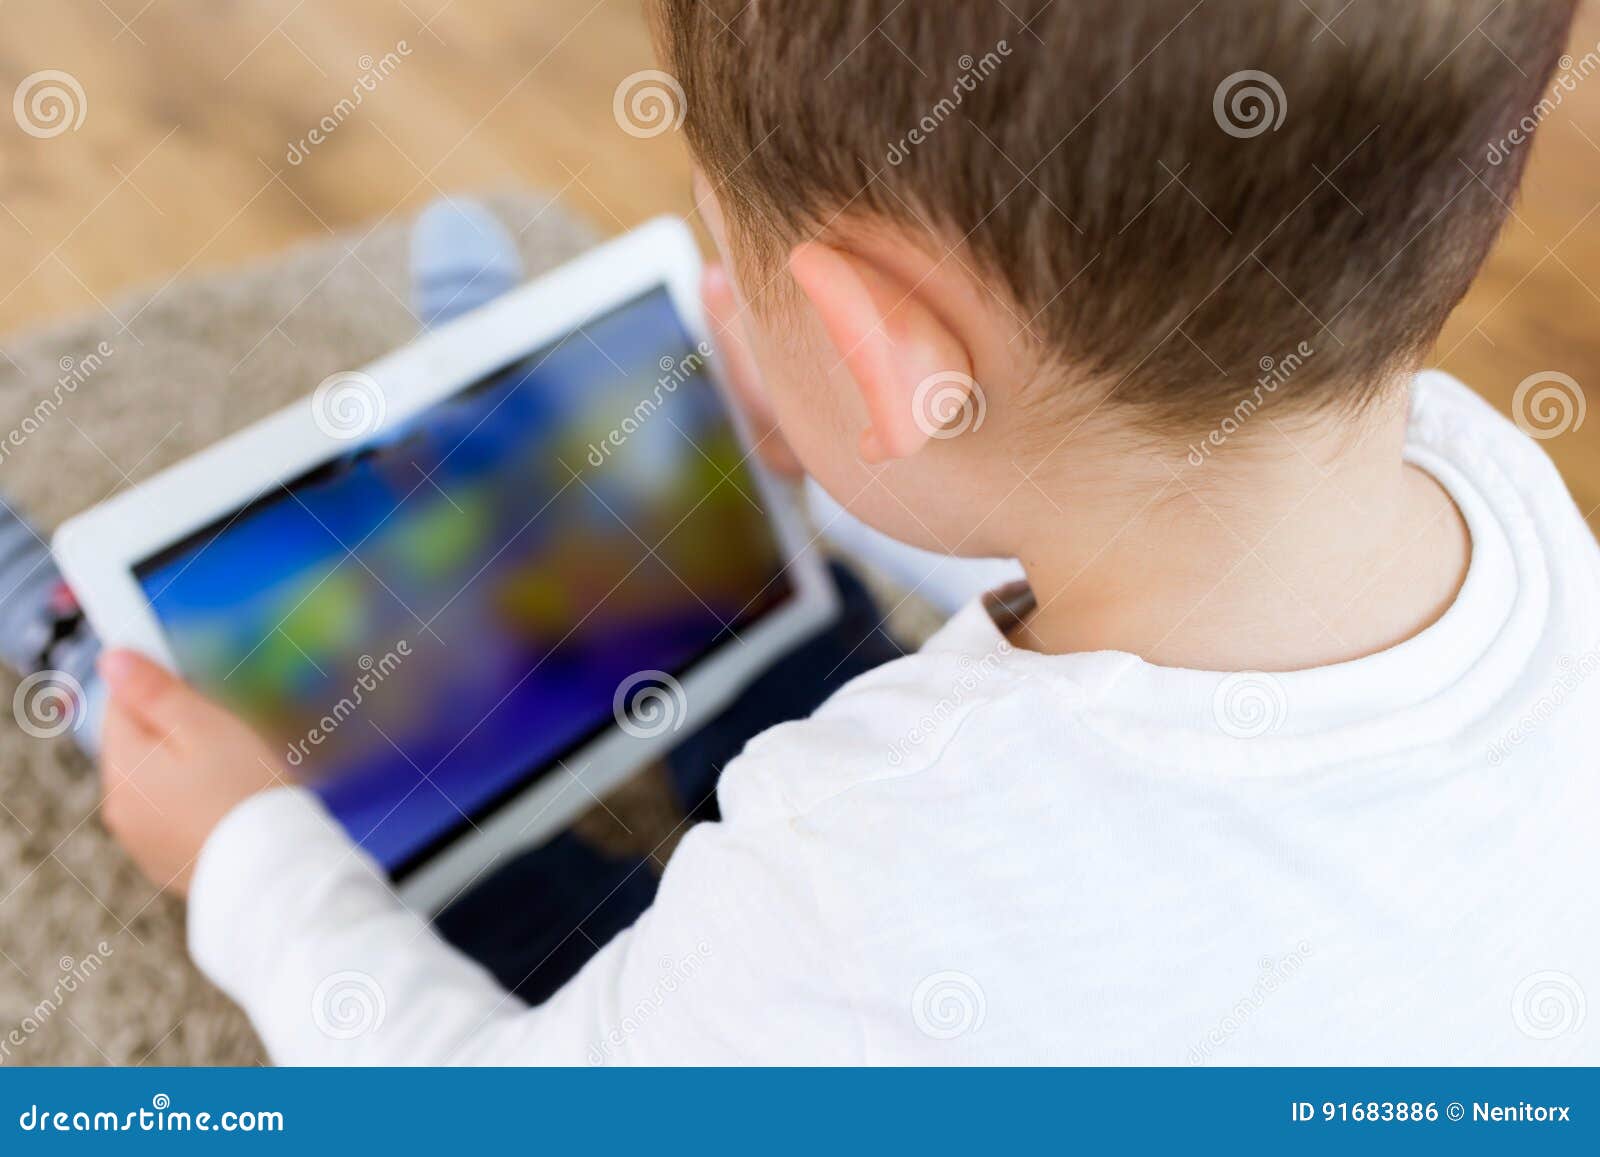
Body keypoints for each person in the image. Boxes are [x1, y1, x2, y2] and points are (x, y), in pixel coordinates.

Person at [94, 0, 1597, 1063]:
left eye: (754, 283)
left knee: (509, 882)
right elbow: (1118, 545)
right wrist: (860, 429)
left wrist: (245, 856)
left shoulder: (851, 883)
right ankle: (580, 487)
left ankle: (154, 671)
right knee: (831, 649)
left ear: (887, 351)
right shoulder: (1500, 496)